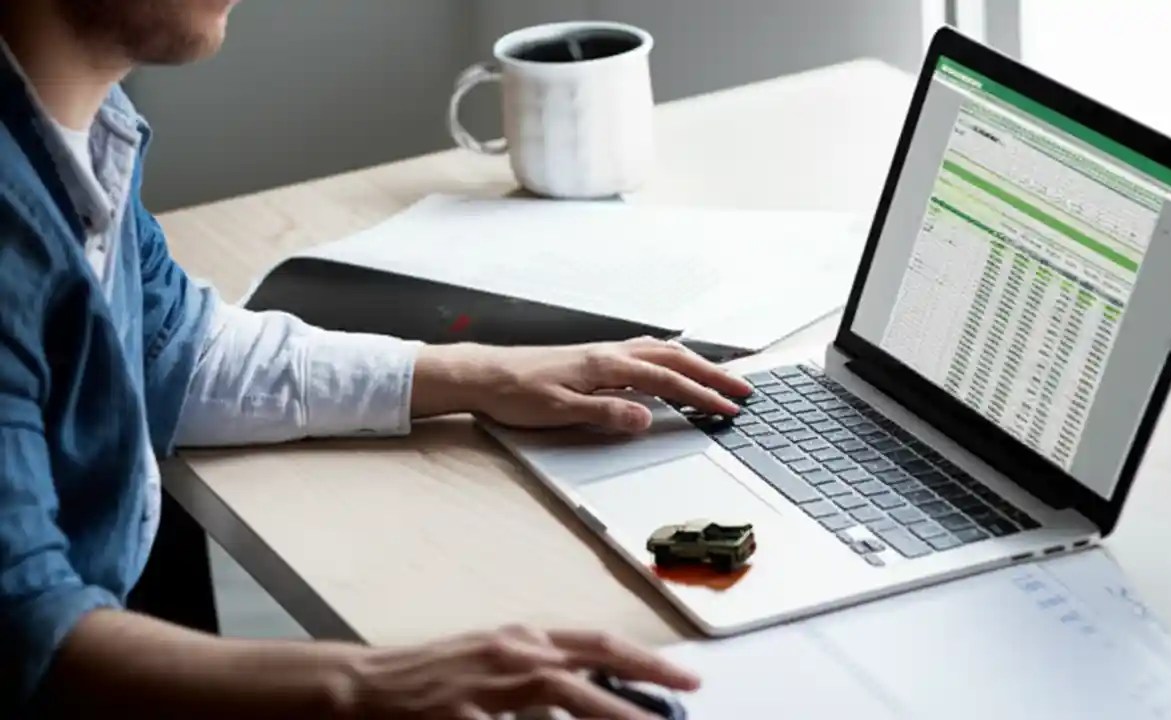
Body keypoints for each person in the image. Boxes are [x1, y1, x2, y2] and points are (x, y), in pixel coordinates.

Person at [0, 1, 752, 716]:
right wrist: (368, 682)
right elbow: (30, 639)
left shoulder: (78, 134)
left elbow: (174, 349)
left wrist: (484, 374)